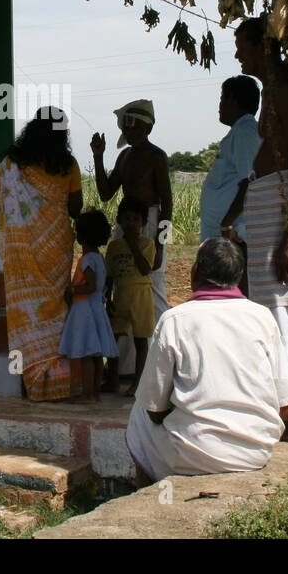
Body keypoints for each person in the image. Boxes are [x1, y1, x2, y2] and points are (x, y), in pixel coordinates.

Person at [126, 238, 288, 482]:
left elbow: (154, 410)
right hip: (255, 454)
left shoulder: (174, 319)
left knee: (139, 411)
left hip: (193, 453)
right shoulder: (263, 317)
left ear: (195, 271)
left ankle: (145, 494)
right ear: (238, 277)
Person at [232, 15, 288, 441]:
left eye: (243, 46)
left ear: (263, 48)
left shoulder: (287, 90)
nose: (237, 55)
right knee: (275, 313)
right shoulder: (274, 92)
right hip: (275, 204)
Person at [0, 108, 83, 401]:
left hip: (21, 250)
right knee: (56, 308)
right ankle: (57, 382)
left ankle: (29, 380)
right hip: (57, 248)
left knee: (26, 312)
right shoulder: (68, 165)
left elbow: (1, 196)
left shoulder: (12, 164)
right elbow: (75, 209)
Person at [90, 99, 172, 327]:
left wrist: (162, 243)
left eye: (133, 126)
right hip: (126, 224)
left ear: (147, 128)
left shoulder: (157, 156)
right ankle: (126, 358)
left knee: (152, 284)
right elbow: (106, 193)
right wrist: (98, 157)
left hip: (151, 223)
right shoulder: (124, 156)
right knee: (123, 281)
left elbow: (167, 202)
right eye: (126, 127)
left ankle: (157, 347)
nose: (129, 131)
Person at [59, 210, 118, 403]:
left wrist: (73, 289)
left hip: (84, 310)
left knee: (86, 354)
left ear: (80, 236)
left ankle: (87, 395)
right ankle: (95, 393)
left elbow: (90, 286)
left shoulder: (86, 260)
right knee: (97, 354)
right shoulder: (99, 258)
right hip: (96, 309)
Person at [102, 196, 156, 395]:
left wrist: (133, 245)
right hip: (121, 296)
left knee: (140, 341)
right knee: (112, 339)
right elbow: (109, 275)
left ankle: (138, 383)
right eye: (127, 219)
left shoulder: (147, 244)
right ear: (119, 221)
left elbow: (145, 269)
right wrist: (107, 299)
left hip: (141, 296)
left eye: (135, 219)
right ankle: (112, 379)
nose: (131, 224)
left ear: (143, 222)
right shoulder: (114, 247)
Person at [200, 75, 261, 244]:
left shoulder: (244, 134)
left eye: (222, 98)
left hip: (233, 235)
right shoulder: (239, 132)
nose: (219, 106)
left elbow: (249, 183)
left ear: (233, 100)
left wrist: (226, 224)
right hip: (224, 234)